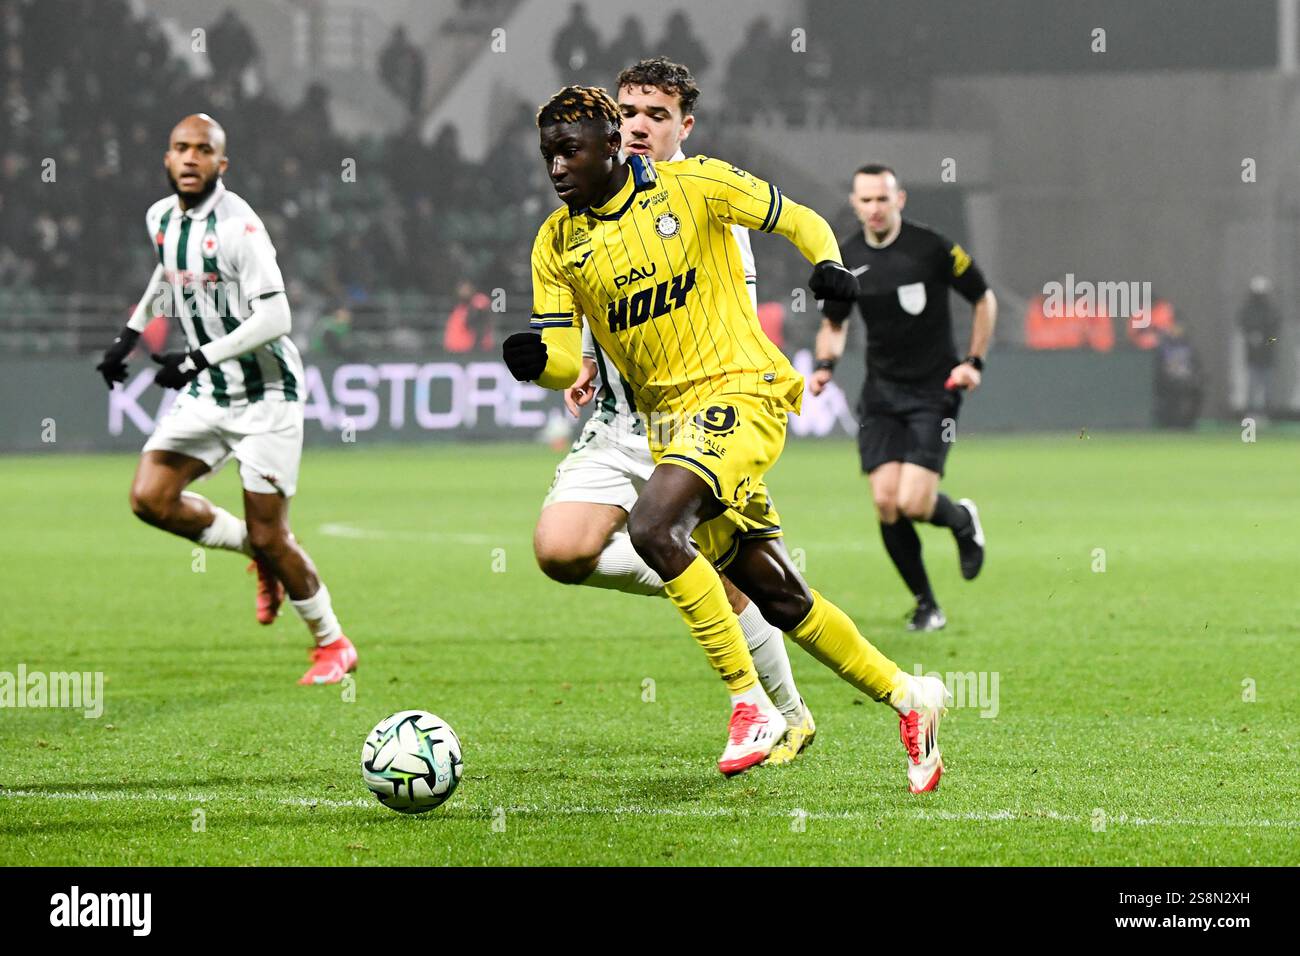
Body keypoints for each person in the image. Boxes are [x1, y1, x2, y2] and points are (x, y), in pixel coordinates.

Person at [503, 87, 951, 791]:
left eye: (570, 152)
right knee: (777, 593)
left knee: (654, 526)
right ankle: (909, 695)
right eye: (548, 155)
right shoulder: (557, 241)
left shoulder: (696, 185)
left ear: (611, 146)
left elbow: (796, 217)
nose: (557, 168)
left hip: (741, 393)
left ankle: (752, 706)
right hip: (665, 423)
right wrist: (538, 363)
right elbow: (565, 357)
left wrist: (829, 264)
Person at [531, 58, 814, 766]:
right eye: (626, 112)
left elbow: (715, 319)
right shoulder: (582, 216)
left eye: (655, 115)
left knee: (753, 577)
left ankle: (788, 714)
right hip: (620, 423)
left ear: (684, 126)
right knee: (561, 552)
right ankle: (681, 563)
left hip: (698, 419)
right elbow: (603, 295)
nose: (637, 126)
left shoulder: (703, 201)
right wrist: (583, 356)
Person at [94, 113, 357, 685]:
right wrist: (128, 338)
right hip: (210, 392)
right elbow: (168, 273)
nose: (191, 157)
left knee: (271, 533)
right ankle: (259, 555)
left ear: (222, 163)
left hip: (266, 395)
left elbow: (278, 316)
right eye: (181, 148)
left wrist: (197, 358)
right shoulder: (160, 218)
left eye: (203, 149)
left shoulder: (241, 228)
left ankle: (333, 643)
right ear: (168, 159)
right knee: (150, 498)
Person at [810, 165, 995, 632]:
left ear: (900, 199)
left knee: (914, 503)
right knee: (886, 502)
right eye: (866, 200)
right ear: (855, 204)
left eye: (882, 198)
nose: (874, 208)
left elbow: (983, 298)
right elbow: (834, 323)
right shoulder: (845, 258)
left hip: (935, 390)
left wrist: (974, 361)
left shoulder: (931, 248)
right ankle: (926, 605)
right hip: (881, 393)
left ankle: (961, 520)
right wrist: (825, 366)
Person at [1238, 275, 1281, 414]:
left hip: (1267, 356)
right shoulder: (1248, 311)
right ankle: (1251, 412)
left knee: (1268, 387)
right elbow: (1243, 326)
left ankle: (1268, 413)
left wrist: (1266, 343)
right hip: (1253, 356)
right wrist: (1251, 338)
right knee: (1252, 385)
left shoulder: (1271, 311)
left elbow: (1275, 337)